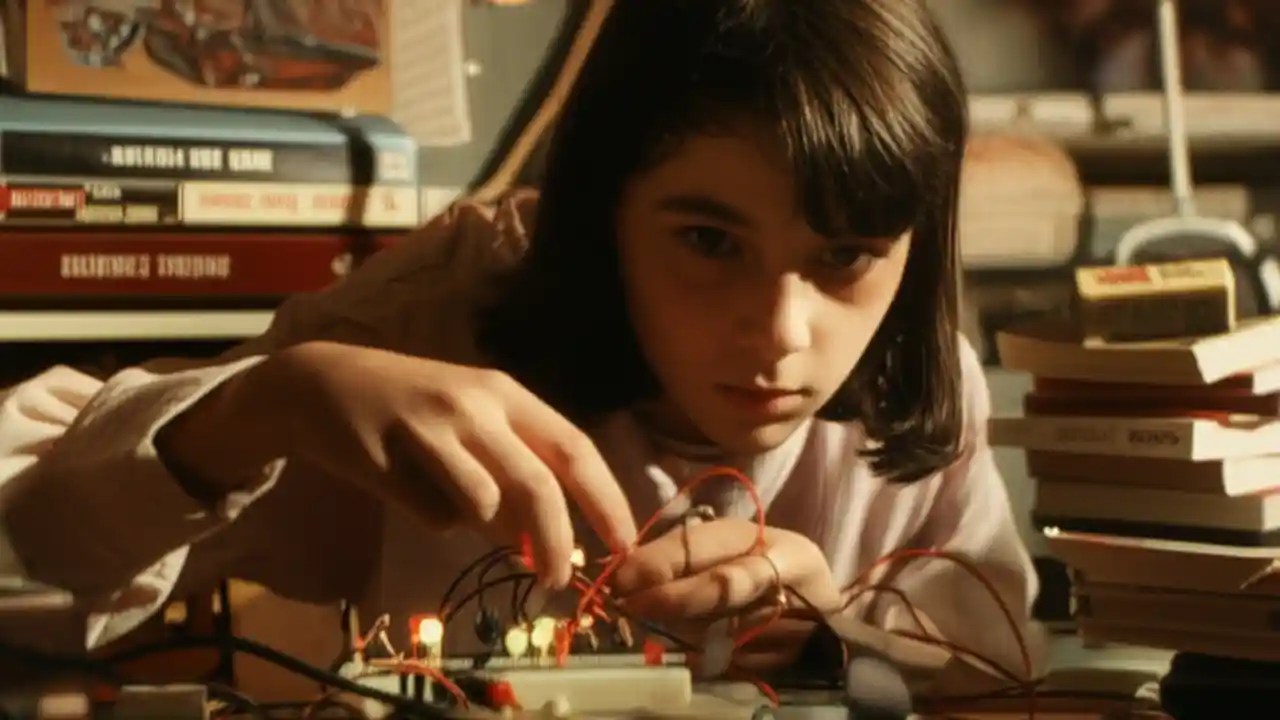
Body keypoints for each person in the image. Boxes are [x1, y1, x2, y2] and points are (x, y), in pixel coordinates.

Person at [0, 0, 1045, 691]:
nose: (780, 335)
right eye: (707, 242)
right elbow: (37, 551)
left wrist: (838, 639)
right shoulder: (437, 316)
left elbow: (1002, 674)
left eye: (846, 255)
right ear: (599, 213)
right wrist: (269, 399)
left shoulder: (920, 383)